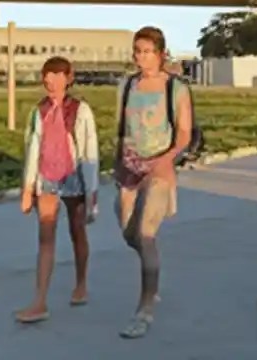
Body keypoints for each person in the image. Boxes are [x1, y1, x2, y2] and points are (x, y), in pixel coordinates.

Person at [112, 26, 193, 339]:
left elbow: (184, 133)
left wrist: (168, 159)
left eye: (147, 51)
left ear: (160, 54)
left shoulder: (175, 88)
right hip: (129, 167)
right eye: (137, 51)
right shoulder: (127, 85)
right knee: (128, 233)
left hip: (158, 167)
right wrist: (117, 161)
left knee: (145, 235)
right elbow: (121, 128)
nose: (141, 57)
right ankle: (153, 272)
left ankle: (145, 307)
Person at [14, 56, 100, 325]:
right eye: (46, 75)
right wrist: (28, 188)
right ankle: (39, 302)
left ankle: (81, 283)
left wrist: (92, 191)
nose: (50, 81)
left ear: (68, 77)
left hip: (74, 177)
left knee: (77, 232)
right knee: (46, 238)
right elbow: (33, 150)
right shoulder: (38, 111)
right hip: (47, 179)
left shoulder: (80, 109)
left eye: (56, 75)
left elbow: (90, 151)